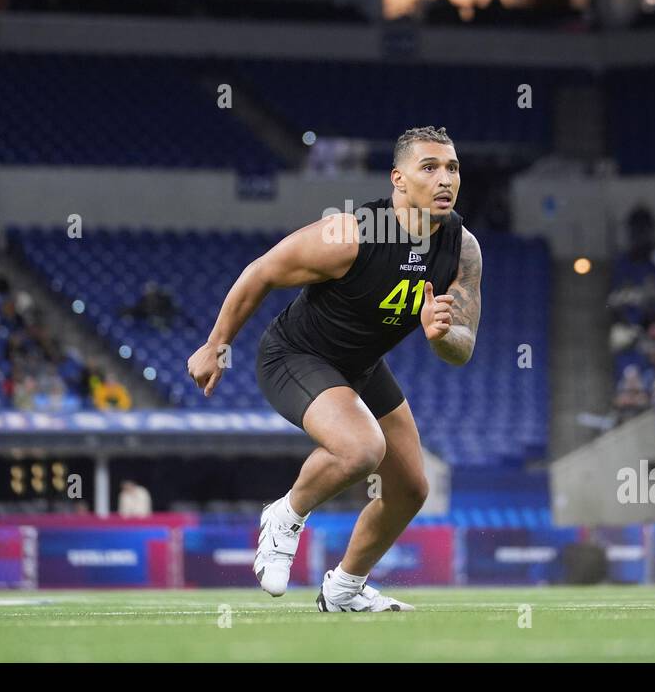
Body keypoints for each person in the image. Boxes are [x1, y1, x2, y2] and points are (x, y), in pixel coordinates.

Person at [186, 126, 482, 612]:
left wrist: (441, 333)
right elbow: (262, 271)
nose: (444, 178)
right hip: (295, 356)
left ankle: (344, 589)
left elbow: (462, 347)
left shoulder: (462, 248)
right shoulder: (350, 235)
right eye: (428, 167)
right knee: (362, 448)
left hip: (361, 365)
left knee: (410, 488)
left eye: (451, 167)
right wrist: (216, 345)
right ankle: (285, 515)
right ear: (398, 180)